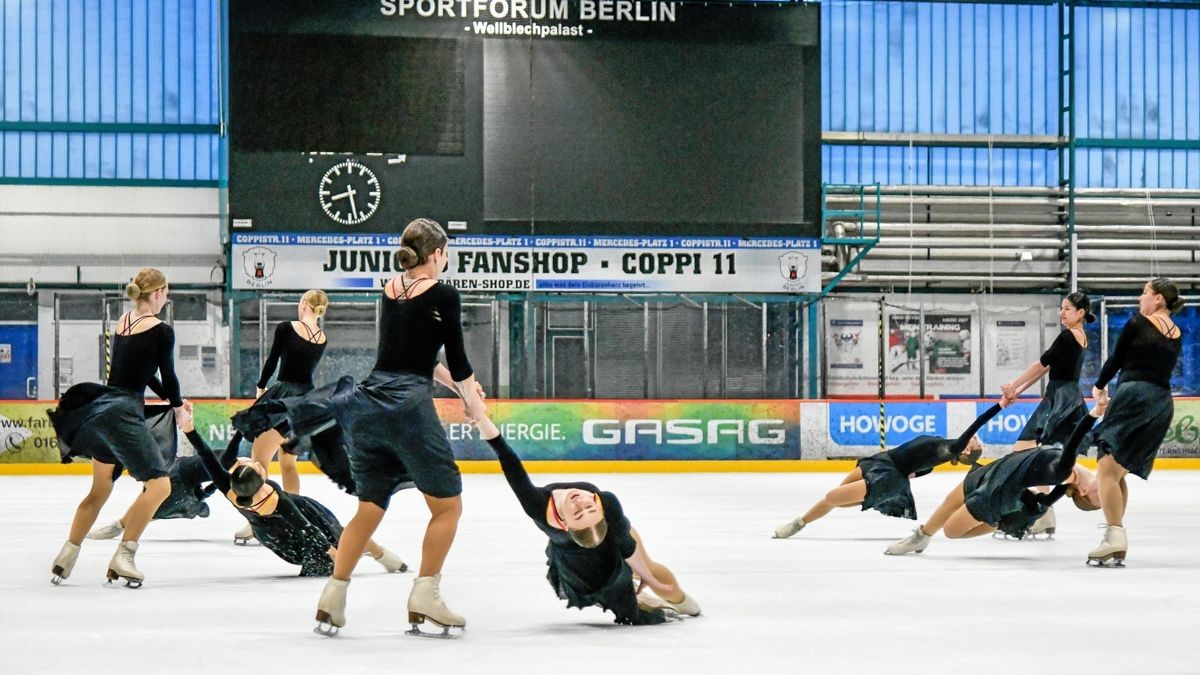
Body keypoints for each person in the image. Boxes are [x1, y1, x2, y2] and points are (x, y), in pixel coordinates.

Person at [294, 219, 486, 637]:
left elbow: (416, 357)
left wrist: (459, 388)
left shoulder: (391, 289)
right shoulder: (444, 294)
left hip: (368, 406)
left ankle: (333, 596)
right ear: (437, 254)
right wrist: (474, 404)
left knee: (370, 506)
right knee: (447, 507)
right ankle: (425, 595)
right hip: (407, 409)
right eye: (446, 253)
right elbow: (459, 359)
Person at [477, 413, 699, 625]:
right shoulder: (555, 506)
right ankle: (636, 594)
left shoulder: (596, 503)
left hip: (611, 535)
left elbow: (627, 546)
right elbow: (508, 458)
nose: (581, 503)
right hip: (579, 562)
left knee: (647, 568)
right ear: (565, 525)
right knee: (611, 586)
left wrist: (646, 575)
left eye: (586, 508)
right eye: (581, 512)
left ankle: (684, 603)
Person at [47, 268, 188, 587]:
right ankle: (124, 556)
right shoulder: (162, 330)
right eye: (166, 293)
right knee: (160, 487)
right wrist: (178, 407)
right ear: (158, 293)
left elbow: (144, 373)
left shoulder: (123, 322)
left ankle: (66, 555)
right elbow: (167, 374)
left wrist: (172, 400)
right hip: (124, 413)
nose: (166, 299)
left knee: (99, 491)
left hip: (102, 409)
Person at [170, 406, 407, 577]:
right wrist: (335, 555)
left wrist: (189, 429)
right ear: (261, 484)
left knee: (342, 537)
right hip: (303, 522)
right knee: (343, 535)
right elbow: (307, 528)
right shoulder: (274, 499)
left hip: (277, 538)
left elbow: (206, 454)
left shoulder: (229, 488)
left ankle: (377, 554)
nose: (254, 462)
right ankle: (380, 554)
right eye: (256, 467)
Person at [884, 393, 1107, 556]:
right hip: (995, 470)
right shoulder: (1068, 473)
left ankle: (998, 521)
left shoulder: (1063, 471)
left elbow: (1076, 439)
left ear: (1083, 491)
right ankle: (921, 537)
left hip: (996, 493)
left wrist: (1095, 413)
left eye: (1099, 497)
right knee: (949, 502)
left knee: (951, 531)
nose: (1105, 492)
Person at [772, 404, 999, 538]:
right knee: (837, 495)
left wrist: (1000, 405)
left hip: (888, 476)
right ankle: (802, 521)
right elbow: (919, 470)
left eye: (976, 444)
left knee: (833, 497)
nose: (976, 439)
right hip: (882, 461)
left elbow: (978, 423)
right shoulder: (942, 447)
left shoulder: (950, 449)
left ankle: (798, 524)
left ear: (965, 451)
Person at [1087, 278, 1184, 566]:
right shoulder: (1177, 333)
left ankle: (1115, 536)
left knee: (1107, 468)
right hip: (1161, 402)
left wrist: (1099, 386)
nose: (1141, 298)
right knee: (1117, 471)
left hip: (1134, 395)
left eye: (1145, 293)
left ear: (1159, 299)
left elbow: (1116, 360)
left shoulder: (1138, 323)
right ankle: (1115, 536)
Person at [231, 290, 329, 544]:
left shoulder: (287, 327)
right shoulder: (322, 338)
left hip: (284, 396)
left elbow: (273, 360)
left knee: (259, 459)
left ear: (304, 304)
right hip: (305, 401)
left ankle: (258, 520)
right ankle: (294, 519)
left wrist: (261, 387)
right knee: (287, 462)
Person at [1001, 292, 1094, 450]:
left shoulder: (1068, 336)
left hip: (1060, 397)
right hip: (1070, 397)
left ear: (1080, 313)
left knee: (1023, 447)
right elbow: (1047, 367)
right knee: (1056, 452)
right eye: (1061, 308)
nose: (1061, 313)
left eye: (1067, 309)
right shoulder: (1081, 336)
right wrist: (1017, 390)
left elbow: (1040, 365)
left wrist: (1012, 386)